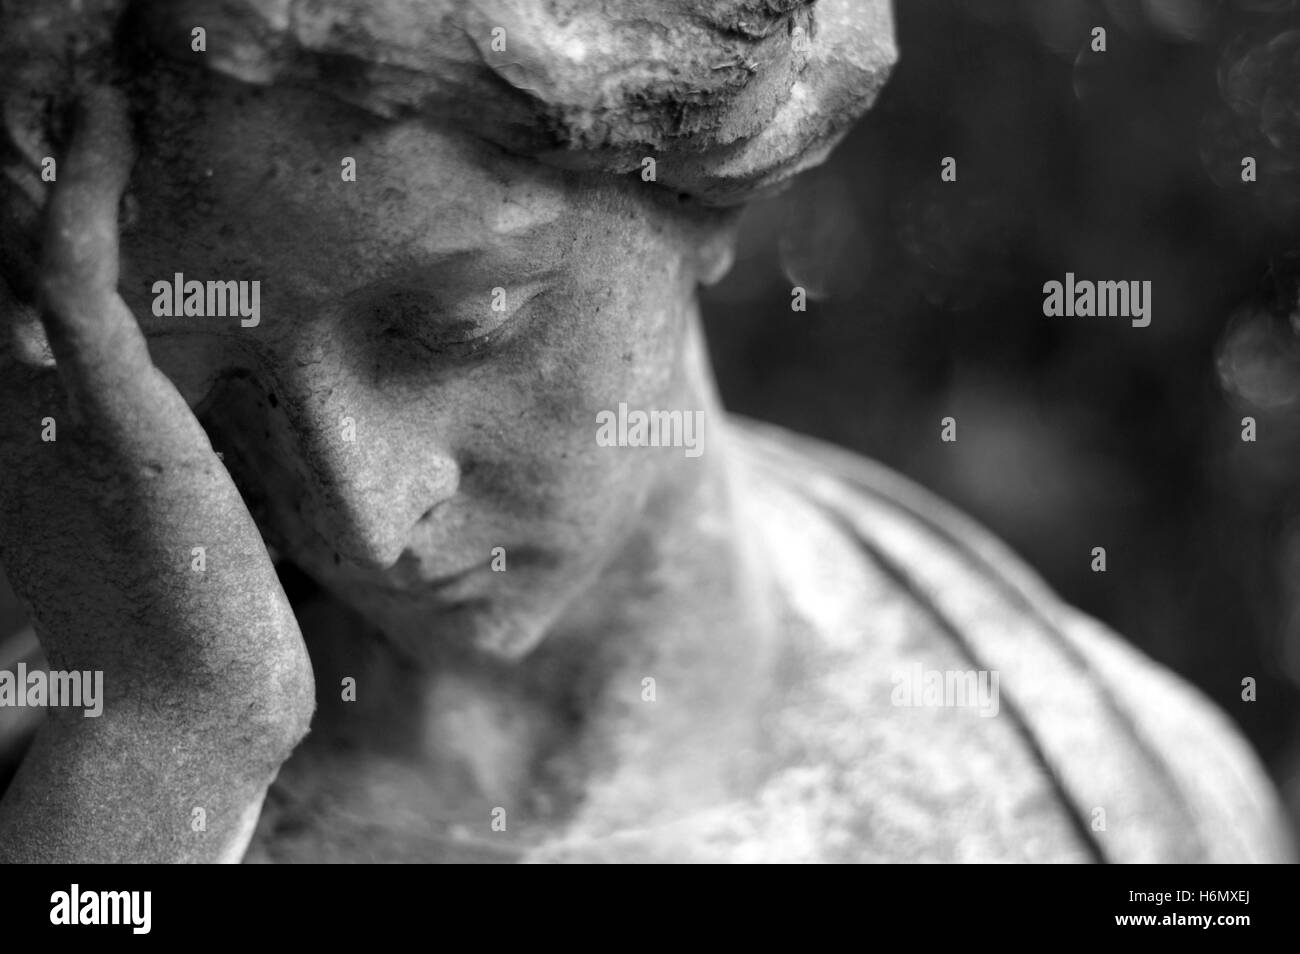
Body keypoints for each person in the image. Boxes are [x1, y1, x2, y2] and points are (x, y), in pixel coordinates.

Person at [0, 0, 1291, 862]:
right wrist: (159, 756)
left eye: (462, 320)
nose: (363, 512)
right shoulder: (66, 784)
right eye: (186, 384)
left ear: (715, 181)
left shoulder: (1118, 788)